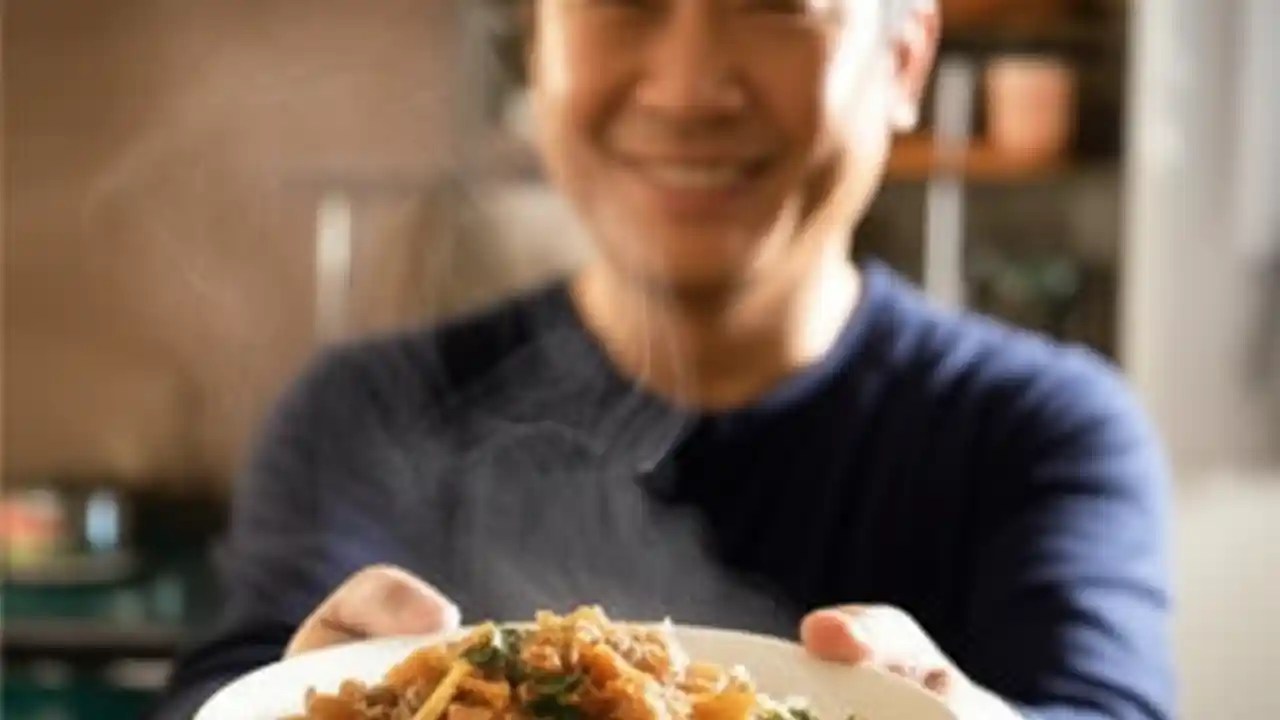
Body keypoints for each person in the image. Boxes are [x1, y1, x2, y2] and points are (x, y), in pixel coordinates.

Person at [154, 0, 1172, 718]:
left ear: (902, 61)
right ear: (540, 48)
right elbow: (232, 689)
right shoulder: (364, 410)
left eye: (776, 5)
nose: (688, 90)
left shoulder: (1039, 428)